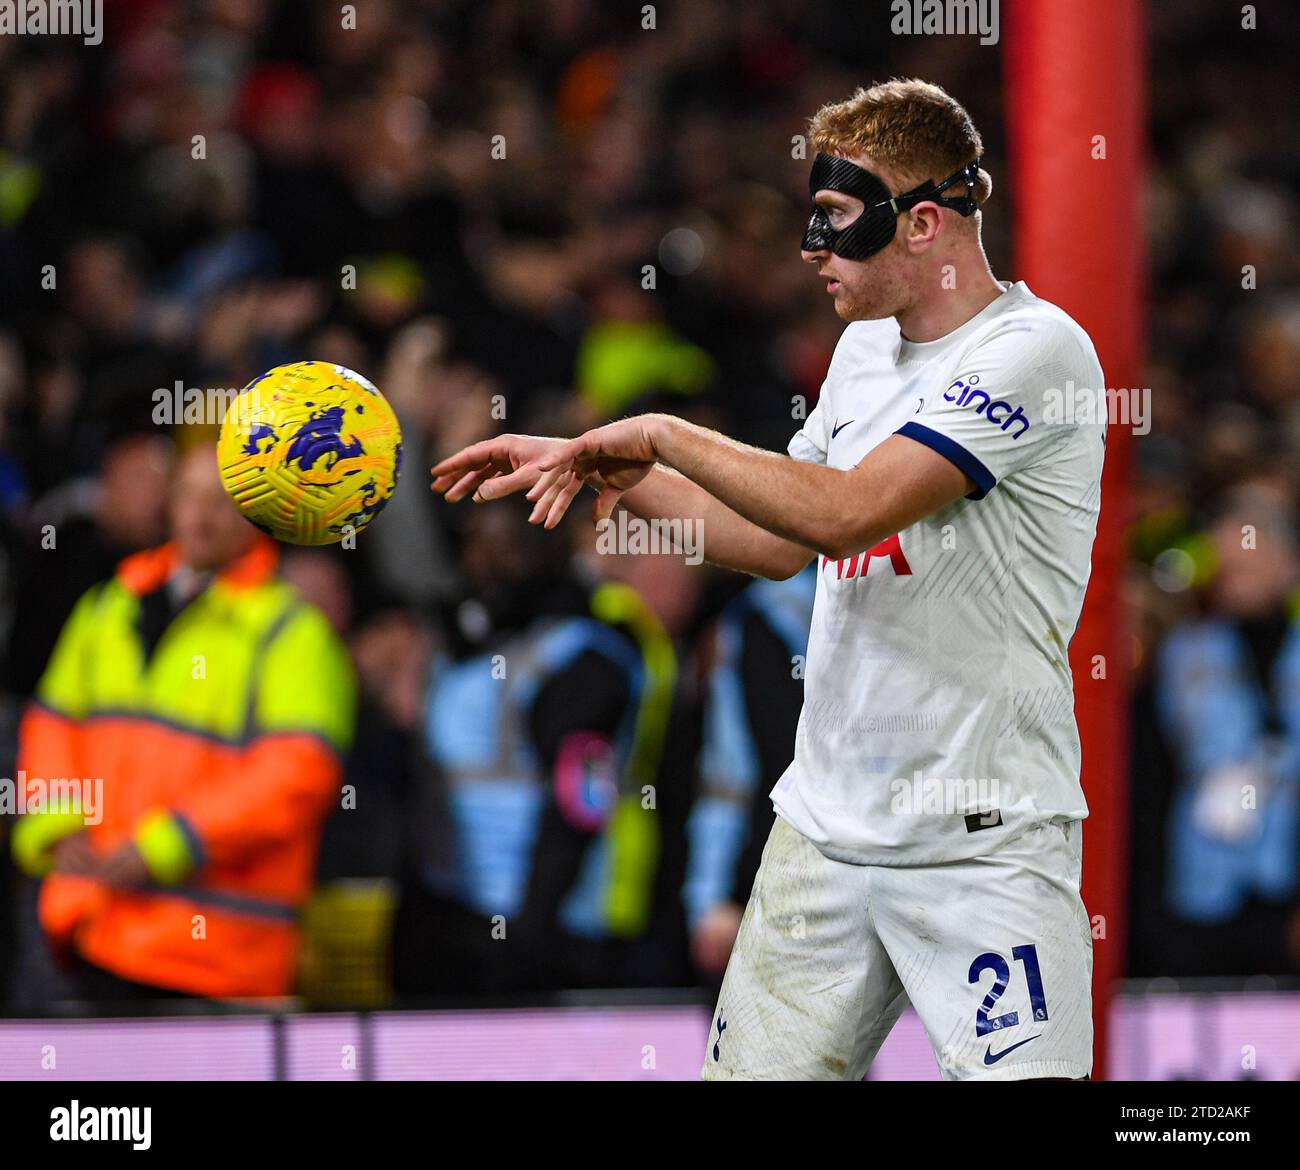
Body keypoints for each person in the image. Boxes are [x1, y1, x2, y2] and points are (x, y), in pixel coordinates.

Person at [431, 79, 1105, 1080]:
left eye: (836, 224)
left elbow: (845, 511)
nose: (811, 251)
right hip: (824, 834)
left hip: (982, 842)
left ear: (923, 224)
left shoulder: (1034, 352)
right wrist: (614, 471)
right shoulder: (863, 351)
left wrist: (665, 431)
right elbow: (782, 542)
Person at [10, 440, 355, 1001]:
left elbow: (297, 776)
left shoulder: (292, 633)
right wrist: (58, 818)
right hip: (97, 927)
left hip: (217, 960)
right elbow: (53, 723)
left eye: (221, 500)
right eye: (188, 495)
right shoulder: (110, 606)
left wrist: (176, 842)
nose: (200, 514)